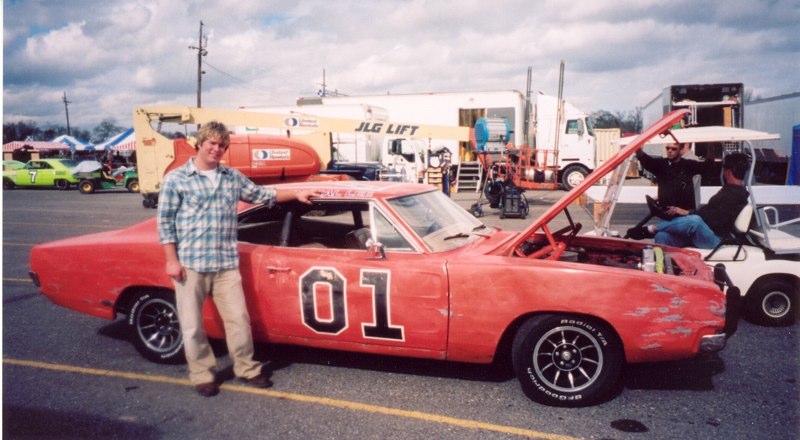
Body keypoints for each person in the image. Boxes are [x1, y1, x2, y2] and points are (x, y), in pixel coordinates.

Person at [158, 121, 320, 397]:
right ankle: (202, 375)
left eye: (222, 145)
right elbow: (165, 223)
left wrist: (297, 192)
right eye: (211, 143)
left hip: (225, 264)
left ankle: (247, 369)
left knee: (239, 320)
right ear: (199, 144)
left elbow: (264, 195)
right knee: (192, 325)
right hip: (190, 264)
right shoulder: (176, 179)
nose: (217, 149)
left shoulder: (231, 177)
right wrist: (171, 260)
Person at [627, 152, 750, 249]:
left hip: (715, 239)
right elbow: (711, 213)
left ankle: (651, 229)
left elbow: (713, 220)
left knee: (694, 221)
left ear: (728, 171)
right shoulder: (731, 190)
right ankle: (665, 272)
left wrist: (688, 213)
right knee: (663, 237)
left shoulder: (735, 194)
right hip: (705, 233)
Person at [635, 142, 714, 212]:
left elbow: (707, 167)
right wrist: (637, 149)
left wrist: (711, 148)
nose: (670, 150)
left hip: (683, 212)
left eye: (674, 149)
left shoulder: (688, 165)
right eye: (667, 148)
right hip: (666, 212)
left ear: (680, 150)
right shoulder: (661, 165)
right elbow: (646, 160)